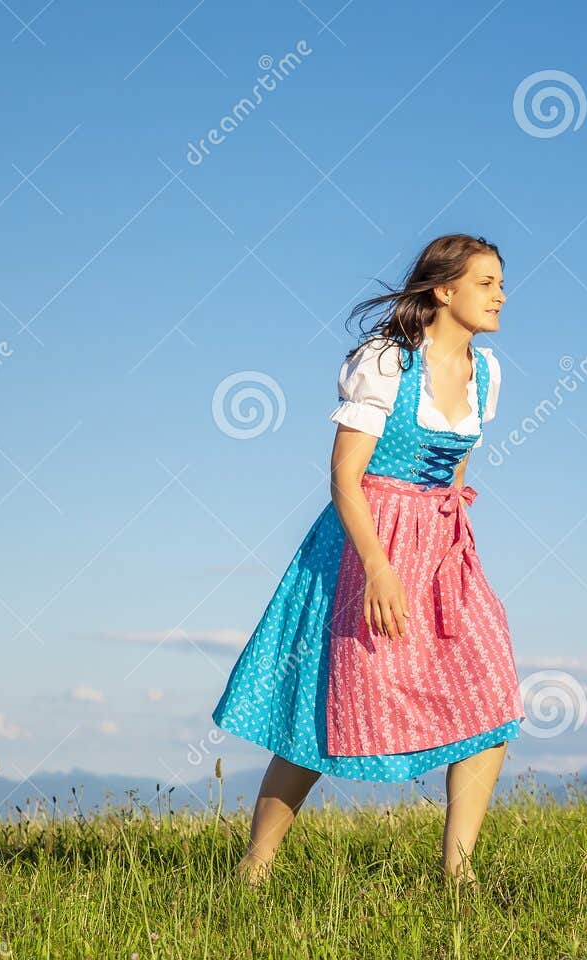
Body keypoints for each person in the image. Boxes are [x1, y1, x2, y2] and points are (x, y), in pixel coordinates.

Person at [211, 233, 523, 886]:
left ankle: (457, 872)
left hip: (443, 548)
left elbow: (458, 468)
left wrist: (447, 532)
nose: (501, 294)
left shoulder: (487, 373)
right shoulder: (387, 362)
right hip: (366, 542)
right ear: (444, 290)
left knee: (492, 697)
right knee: (321, 708)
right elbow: (345, 477)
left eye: (500, 282)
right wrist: (379, 568)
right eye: (486, 282)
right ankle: (256, 864)